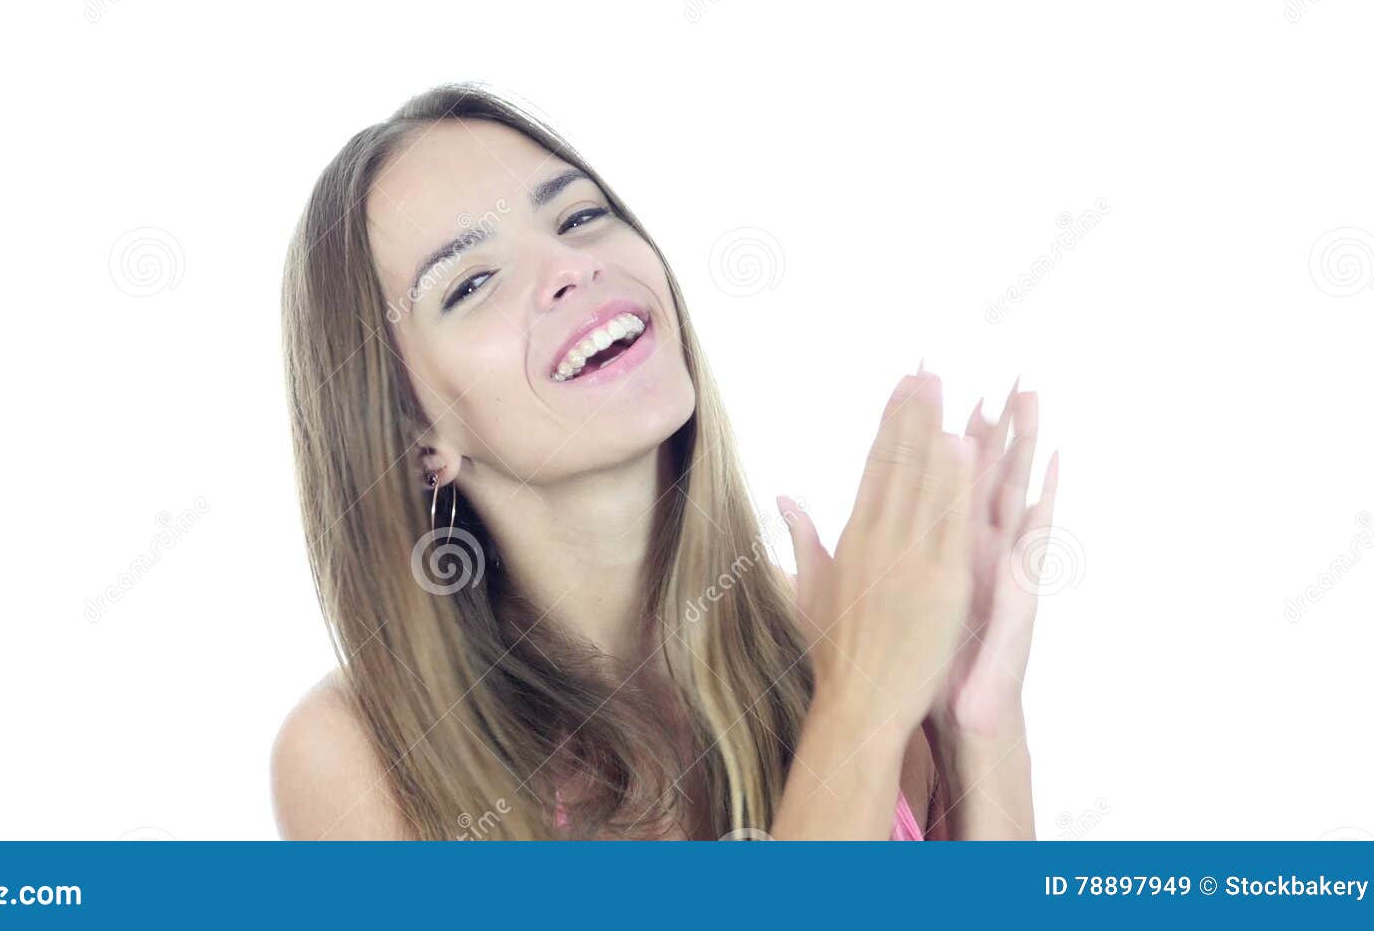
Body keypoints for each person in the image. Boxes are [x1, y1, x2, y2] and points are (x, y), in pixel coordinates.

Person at [271, 83, 1059, 840]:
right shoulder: (354, 755)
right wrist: (858, 713)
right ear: (417, 441)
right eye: (472, 281)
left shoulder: (839, 630)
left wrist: (976, 723)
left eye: (580, 216)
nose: (572, 267)